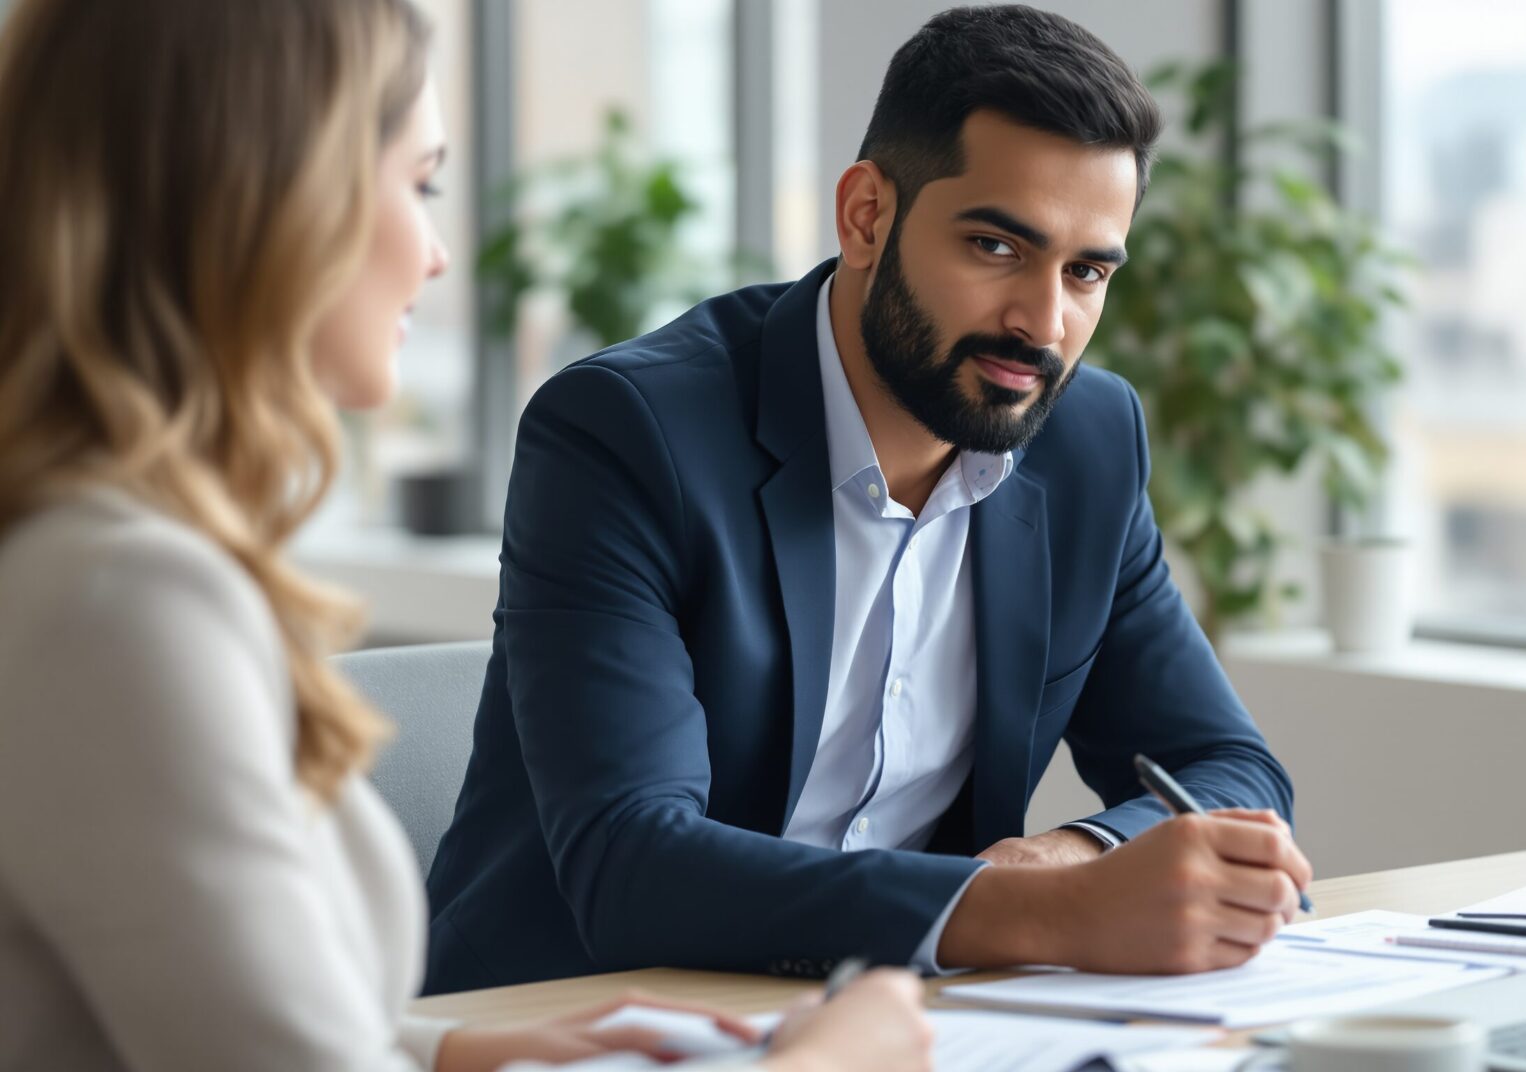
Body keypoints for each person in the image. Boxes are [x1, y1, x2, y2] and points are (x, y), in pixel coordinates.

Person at [0, 1, 929, 1069]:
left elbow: (165, 998)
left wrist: (445, 1053)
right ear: (272, 198)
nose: (440, 254)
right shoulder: (118, 603)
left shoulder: (101, 560)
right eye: (422, 182)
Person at [425, 3, 1314, 996]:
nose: (1043, 321)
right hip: (575, 1019)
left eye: (1087, 271)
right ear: (866, 216)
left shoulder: (1089, 445)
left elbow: (1230, 771)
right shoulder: (629, 434)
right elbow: (633, 864)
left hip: (903, 1021)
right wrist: (1044, 914)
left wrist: (1072, 855)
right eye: (996, 247)